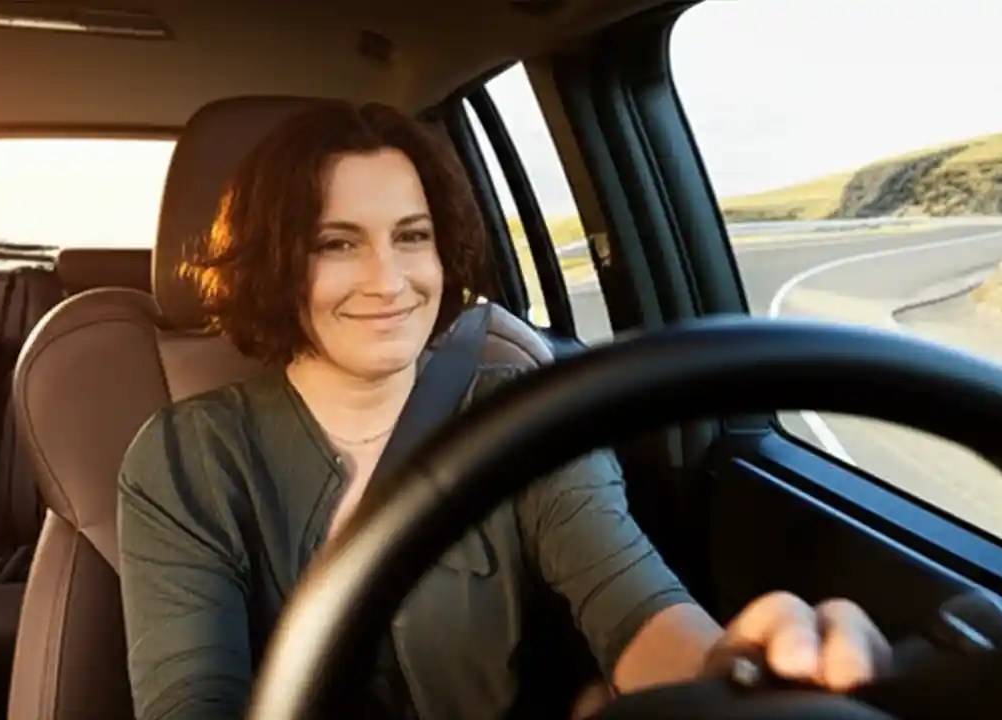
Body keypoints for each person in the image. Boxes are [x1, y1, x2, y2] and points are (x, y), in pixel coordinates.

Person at [116, 100, 893, 720]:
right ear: (276, 264)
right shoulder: (188, 456)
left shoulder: (526, 420)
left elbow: (631, 603)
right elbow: (191, 698)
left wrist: (731, 673)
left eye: (412, 236)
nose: (388, 280)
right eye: (336, 244)